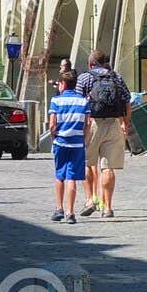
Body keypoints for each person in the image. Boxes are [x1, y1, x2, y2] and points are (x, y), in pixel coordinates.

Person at [77, 49, 131, 218]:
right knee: (108, 167)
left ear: (90, 63)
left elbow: (78, 103)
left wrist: (81, 127)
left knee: (87, 163)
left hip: (92, 123)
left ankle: (90, 200)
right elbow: (127, 101)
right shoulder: (116, 77)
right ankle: (107, 207)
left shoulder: (84, 78)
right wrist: (125, 124)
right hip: (113, 123)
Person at [48, 69, 88, 225]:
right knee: (72, 177)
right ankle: (70, 212)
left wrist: (54, 138)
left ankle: (59, 208)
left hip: (61, 142)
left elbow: (52, 124)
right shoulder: (83, 101)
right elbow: (87, 124)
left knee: (60, 175)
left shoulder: (56, 101)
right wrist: (84, 140)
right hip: (77, 143)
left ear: (63, 84)